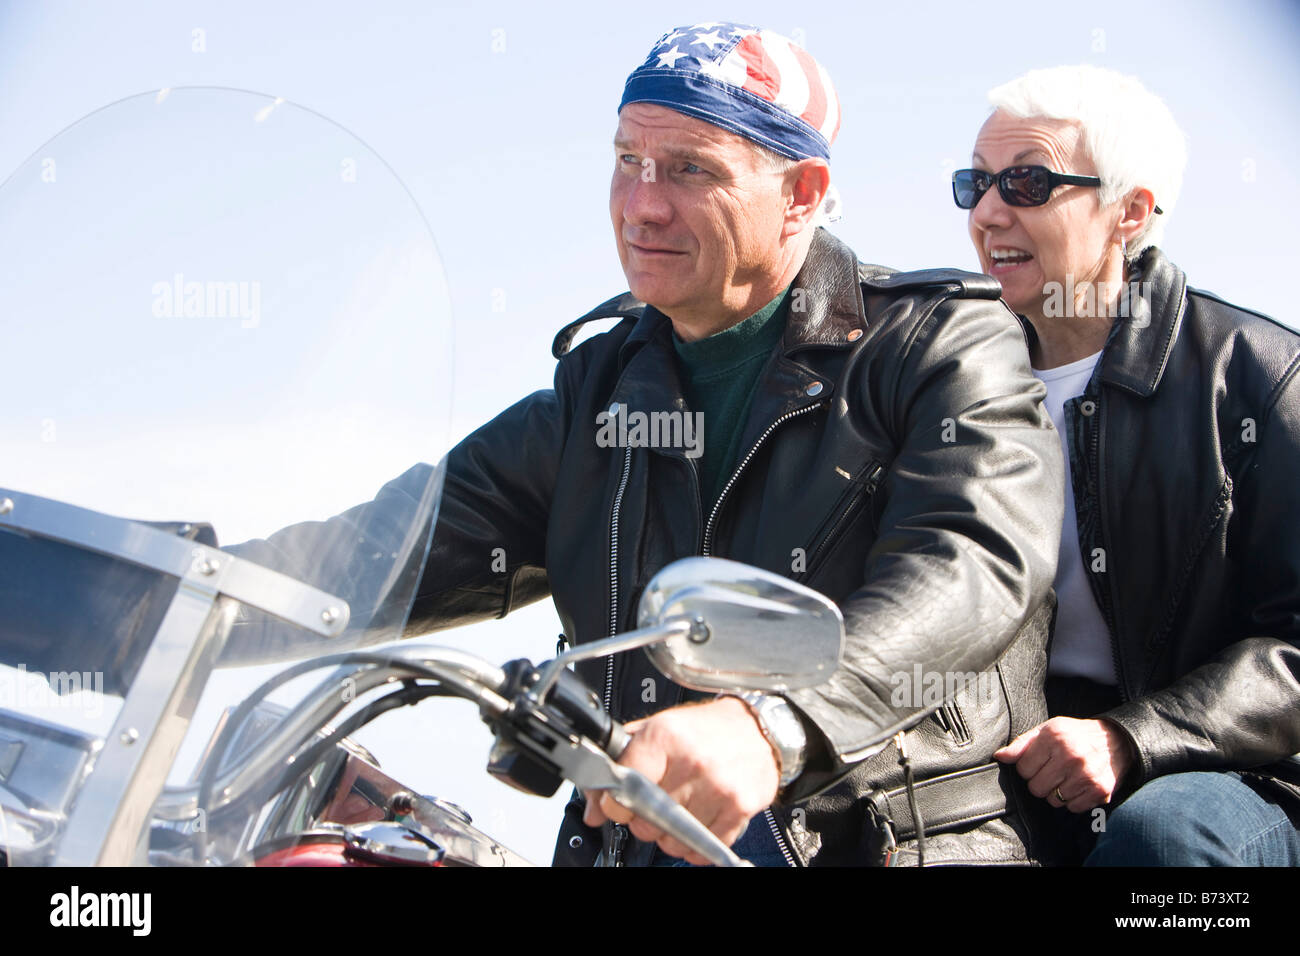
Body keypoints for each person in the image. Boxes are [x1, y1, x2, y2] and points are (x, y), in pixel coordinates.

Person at [237, 22, 1064, 867]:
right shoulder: (599, 386)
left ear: (802, 194)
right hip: (640, 845)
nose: (642, 204)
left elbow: (974, 561)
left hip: (893, 844)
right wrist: (154, 595)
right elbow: (387, 550)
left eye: (691, 168)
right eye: (628, 160)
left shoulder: (939, 347)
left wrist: (776, 724)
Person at [953, 64, 1300, 865]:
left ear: (1130, 212)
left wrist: (1131, 737)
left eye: (1027, 182)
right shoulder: (944, 380)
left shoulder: (1260, 374)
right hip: (1010, 749)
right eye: (974, 182)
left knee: (1162, 841)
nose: (987, 210)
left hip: (1236, 767)